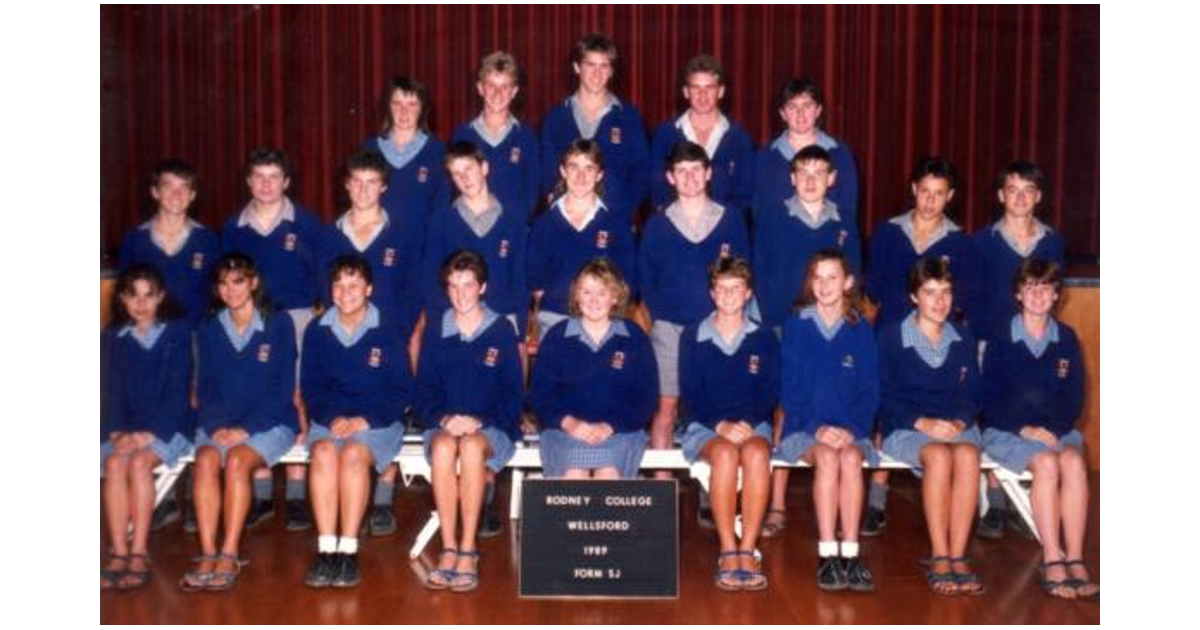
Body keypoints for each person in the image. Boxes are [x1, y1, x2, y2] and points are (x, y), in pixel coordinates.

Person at [862, 157, 982, 536]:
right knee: (886, 415)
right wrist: (866, 335)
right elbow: (872, 294)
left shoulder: (959, 242)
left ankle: (951, 525)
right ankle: (876, 499)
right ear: (914, 190)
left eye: (939, 194)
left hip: (934, 334)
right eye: (924, 192)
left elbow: (958, 302)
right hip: (892, 335)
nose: (930, 201)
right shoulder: (887, 233)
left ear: (950, 197)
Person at [320, 149, 425, 536]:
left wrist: (404, 331)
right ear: (347, 185)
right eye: (357, 182)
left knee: (386, 412)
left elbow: (414, 288)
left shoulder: (400, 234)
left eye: (372, 182)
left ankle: (382, 498)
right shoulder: (331, 235)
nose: (364, 190)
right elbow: (323, 287)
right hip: (345, 337)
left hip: (389, 339)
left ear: (383, 187)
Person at [179, 254, 299, 591]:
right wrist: (217, 426)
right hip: (221, 422)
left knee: (236, 461)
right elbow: (206, 386)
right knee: (204, 460)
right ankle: (207, 552)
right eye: (224, 283)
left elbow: (281, 389)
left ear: (253, 283)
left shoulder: (278, 323)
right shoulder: (209, 327)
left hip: (269, 423)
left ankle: (229, 552)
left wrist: (245, 430)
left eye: (239, 281)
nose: (231, 290)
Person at [980, 259, 1096, 600]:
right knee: (1046, 463)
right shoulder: (1002, 337)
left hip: (1055, 431)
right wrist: (1026, 429)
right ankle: (1050, 559)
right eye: (1030, 287)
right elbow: (989, 399)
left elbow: (1075, 396)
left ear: (1056, 294)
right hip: (1007, 431)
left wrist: (1055, 430)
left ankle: (1074, 557)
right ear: (1018, 293)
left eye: (1045, 288)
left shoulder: (1067, 339)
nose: (1037, 295)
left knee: (1073, 461)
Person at [221, 148, 322, 532]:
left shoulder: (306, 224)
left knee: (294, 396)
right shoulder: (234, 227)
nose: (266, 184)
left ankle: (296, 493)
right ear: (249, 182)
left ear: (286, 182)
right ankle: (261, 492)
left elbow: (320, 277)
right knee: (255, 395)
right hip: (249, 319)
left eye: (273, 177)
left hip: (294, 317)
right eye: (258, 177)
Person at [639, 141, 751, 477]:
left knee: (713, 408)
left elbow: (743, 272)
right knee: (667, 407)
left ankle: (711, 486)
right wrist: (664, 317)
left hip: (717, 328)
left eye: (696, 170)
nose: (689, 178)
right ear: (670, 178)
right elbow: (646, 279)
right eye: (682, 171)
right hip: (671, 329)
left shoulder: (729, 220)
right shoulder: (658, 225)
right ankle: (661, 490)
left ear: (709, 174)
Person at [301, 256, 414, 588]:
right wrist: (333, 418)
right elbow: (311, 388)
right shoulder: (316, 330)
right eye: (338, 284)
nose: (345, 292)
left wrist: (364, 420)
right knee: (322, 453)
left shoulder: (388, 328)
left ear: (369, 288)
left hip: (377, 421)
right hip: (331, 420)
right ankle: (326, 550)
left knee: (352, 456)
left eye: (353, 284)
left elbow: (401, 389)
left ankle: (348, 550)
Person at [972, 160, 1068, 539]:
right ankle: (994, 500)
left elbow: (1052, 293)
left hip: (1034, 344)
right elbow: (974, 298)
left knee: (1029, 412)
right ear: (1001, 196)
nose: (1020, 198)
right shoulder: (982, 242)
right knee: (994, 418)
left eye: (1028, 191)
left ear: (1039, 197)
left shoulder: (1053, 242)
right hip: (992, 344)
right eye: (1012, 190)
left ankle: (1020, 497)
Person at [878, 258, 984, 596]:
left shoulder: (962, 336)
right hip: (906, 426)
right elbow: (882, 395)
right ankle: (940, 555)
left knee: (967, 455)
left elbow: (973, 394)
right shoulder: (892, 336)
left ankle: (958, 555)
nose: (940, 302)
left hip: (953, 425)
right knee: (938, 456)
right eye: (930, 293)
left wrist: (957, 422)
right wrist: (920, 422)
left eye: (946, 293)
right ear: (914, 297)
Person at [417, 251, 522, 592]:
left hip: (489, 427)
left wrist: (478, 421)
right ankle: (448, 547)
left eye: (468, 285)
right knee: (446, 447)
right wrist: (445, 418)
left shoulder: (502, 329)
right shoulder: (435, 330)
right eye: (453, 286)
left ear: (482, 287)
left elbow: (512, 395)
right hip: (445, 424)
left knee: (473, 447)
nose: (460, 294)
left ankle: (468, 548)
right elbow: (424, 393)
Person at [776, 250, 879, 591]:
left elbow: (870, 391)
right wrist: (817, 428)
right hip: (805, 428)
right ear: (810, 283)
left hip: (852, 430)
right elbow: (789, 389)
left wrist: (851, 430)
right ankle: (826, 552)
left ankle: (850, 552)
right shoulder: (797, 325)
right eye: (818, 278)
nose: (825, 285)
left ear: (847, 282)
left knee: (849, 459)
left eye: (833, 277)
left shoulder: (860, 329)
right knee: (827, 458)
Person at [678, 257, 776, 591]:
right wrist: (720, 426)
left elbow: (769, 391)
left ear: (748, 293)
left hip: (752, 423)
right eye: (722, 288)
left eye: (736, 288)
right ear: (712, 292)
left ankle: (748, 548)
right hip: (706, 425)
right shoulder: (693, 336)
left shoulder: (763, 337)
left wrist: (746, 424)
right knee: (724, 455)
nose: (729, 294)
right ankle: (727, 548)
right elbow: (690, 393)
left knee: (757, 455)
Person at [101, 264, 193, 590]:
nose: (141, 304)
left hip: (168, 426)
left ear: (160, 298)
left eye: (148, 296)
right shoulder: (113, 336)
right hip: (125, 428)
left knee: (140, 464)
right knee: (114, 462)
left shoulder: (176, 333)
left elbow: (177, 390)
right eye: (133, 295)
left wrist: (147, 435)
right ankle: (118, 550)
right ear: (123, 299)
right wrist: (116, 433)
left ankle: (139, 550)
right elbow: (109, 391)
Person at [530, 258, 658, 479]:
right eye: (587, 292)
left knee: (608, 472)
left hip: (618, 432)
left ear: (615, 297)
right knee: (573, 473)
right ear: (576, 296)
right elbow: (540, 395)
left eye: (602, 292)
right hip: (566, 431)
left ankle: (608, 515)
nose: (594, 300)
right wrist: (570, 424)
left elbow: (646, 399)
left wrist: (610, 426)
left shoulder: (634, 337)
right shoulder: (557, 336)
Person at [528, 139, 637, 340]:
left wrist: (601, 316)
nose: (581, 176)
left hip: (603, 322)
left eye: (589, 168)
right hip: (555, 320)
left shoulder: (617, 224)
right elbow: (536, 284)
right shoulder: (544, 224)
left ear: (599, 175)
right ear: (563, 171)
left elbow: (626, 282)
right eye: (574, 167)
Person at [540, 33, 650, 223]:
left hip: (615, 221)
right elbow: (545, 170)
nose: (597, 74)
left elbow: (642, 172)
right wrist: (556, 204)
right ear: (577, 67)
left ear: (611, 71)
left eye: (604, 66)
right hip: (566, 220)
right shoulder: (555, 118)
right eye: (590, 65)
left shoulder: (629, 118)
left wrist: (623, 212)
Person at [424, 141, 528, 338]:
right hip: (457, 321)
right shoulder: (441, 221)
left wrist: (519, 330)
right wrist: (440, 322)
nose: (464, 178)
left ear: (484, 168)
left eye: (469, 169)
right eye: (456, 173)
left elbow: (520, 282)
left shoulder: (513, 222)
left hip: (503, 320)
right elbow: (431, 279)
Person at [649, 54, 755, 217]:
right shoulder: (665, 135)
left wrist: (722, 224)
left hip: (724, 231)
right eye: (696, 88)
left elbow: (745, 193)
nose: (702, 95)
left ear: (721, 91)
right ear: (686, 91)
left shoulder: (740, 138)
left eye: (709, 88)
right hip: (675, 228)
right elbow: (657, 189)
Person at [118, 158, 219, 327]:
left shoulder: (208, 239)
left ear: (192, 195)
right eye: (168, 186)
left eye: (184, 187)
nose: (176, 194)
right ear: (155, 192)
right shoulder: (134, 240)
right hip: (150, 337)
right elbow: (124, 294)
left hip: (195, 338)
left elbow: (218, 292)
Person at [752, 78, 859, 229]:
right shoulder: (765, 156)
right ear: (782, 113)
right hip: (780, 243)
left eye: (807, 105)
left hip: (827, 243)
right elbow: (759, 211)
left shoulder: (840, 153)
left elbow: (848, 210)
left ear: (818, 110)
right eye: (792, 106)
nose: (800, 113)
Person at [451, 51, 541, 222]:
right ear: (480, 88)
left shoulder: (527, 136)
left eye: (505, 87)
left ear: (514, 91)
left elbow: (532, 190)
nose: (497, 93)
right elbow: (455, 188)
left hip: (513, 228)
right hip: (472, 226)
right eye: (491, 85)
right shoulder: (463, 134)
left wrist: (516, 223)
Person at [367, 76, 452, 256]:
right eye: (397, 103)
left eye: (412, 104)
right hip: (376, 249)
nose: (404, 112)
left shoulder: (438, 152)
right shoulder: (369, 150)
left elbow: (441, 212)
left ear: (422, 109)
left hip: (421, 252)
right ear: (388, 107)